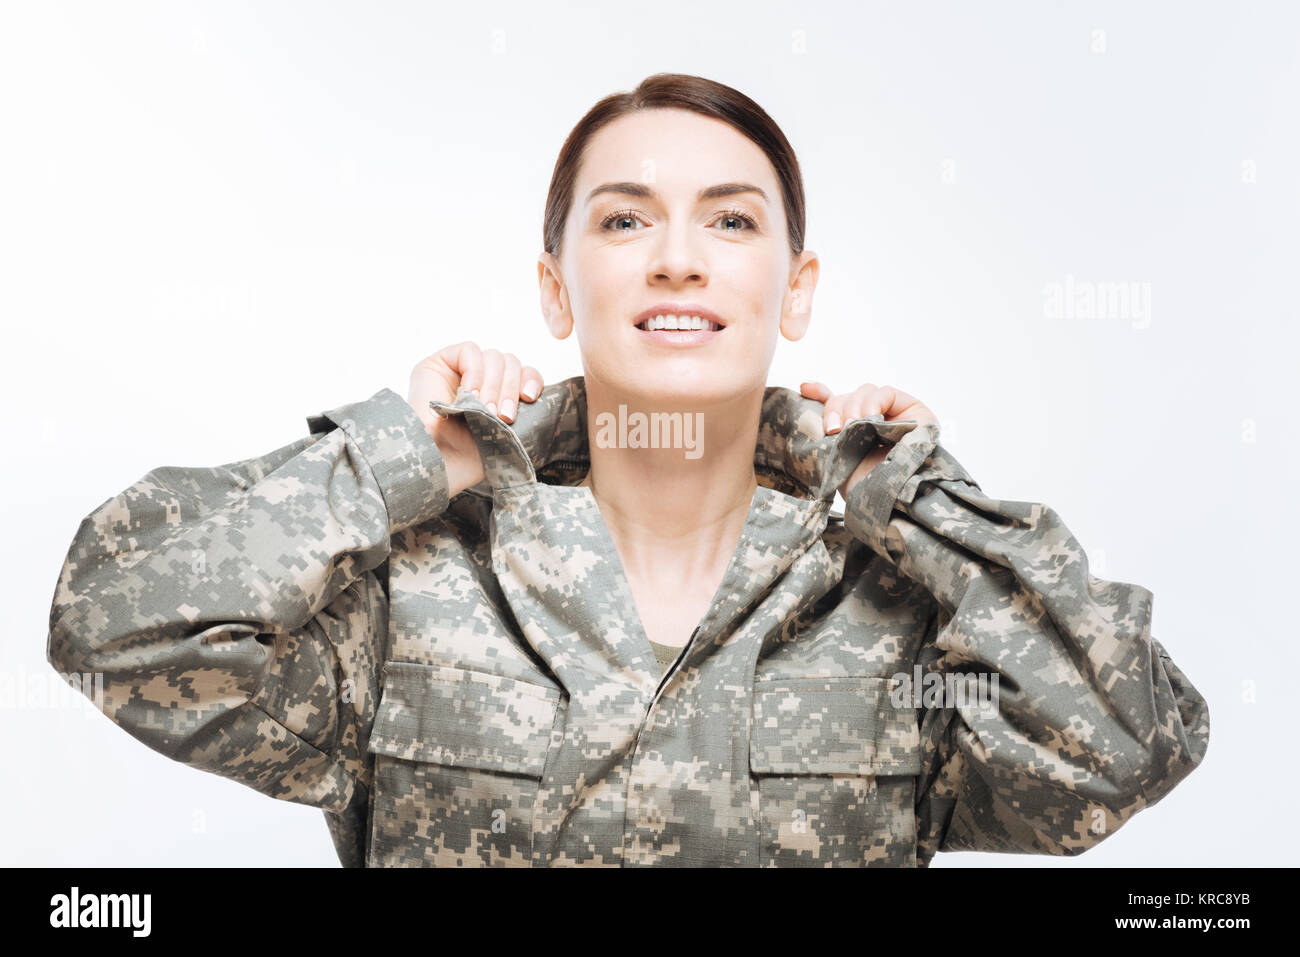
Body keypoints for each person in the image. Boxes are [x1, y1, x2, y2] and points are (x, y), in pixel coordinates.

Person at [46, 73, 1209, 867]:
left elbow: (1122, 748)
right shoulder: (408, 593)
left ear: (793, 289)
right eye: (621, 222)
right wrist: (403, 456)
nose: (677, 262)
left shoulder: (899, 610)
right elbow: (115, 628)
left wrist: (916, 500)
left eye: (732, 223)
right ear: (554, 287)